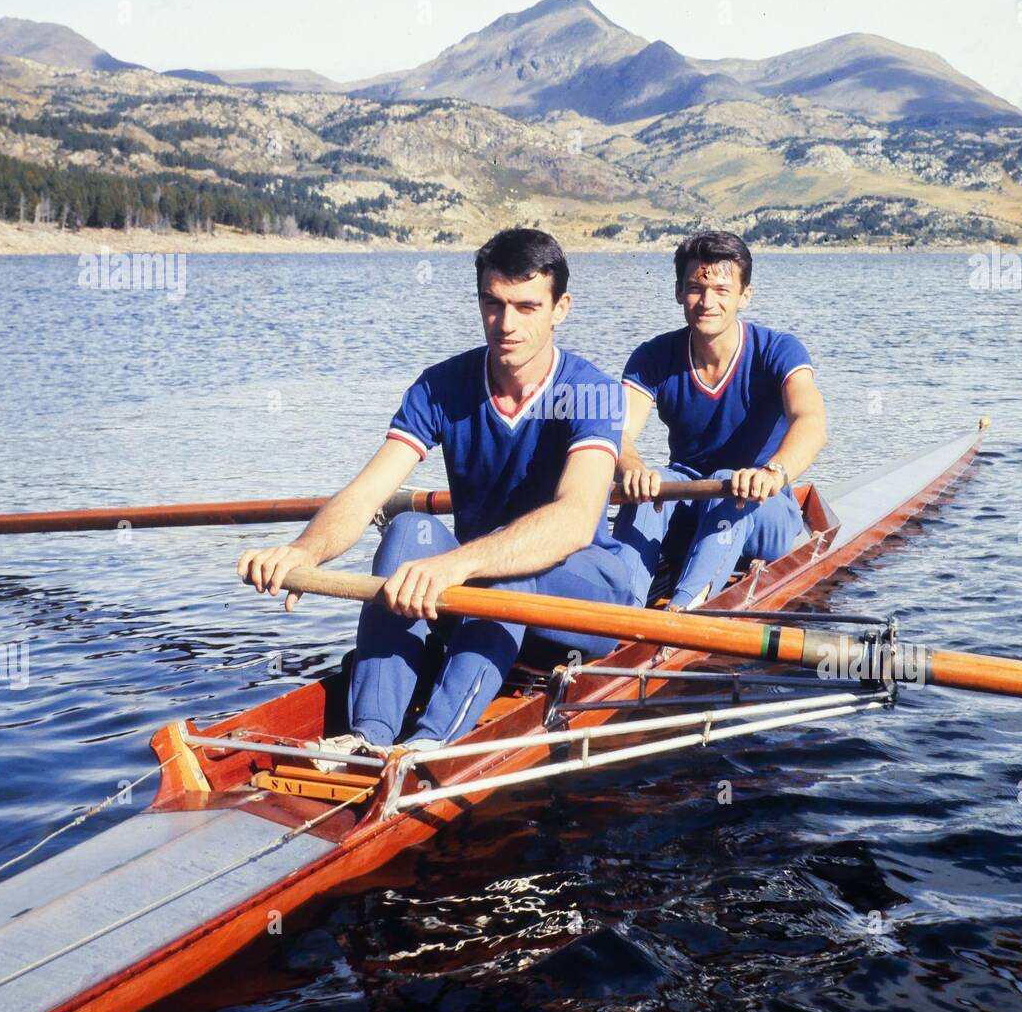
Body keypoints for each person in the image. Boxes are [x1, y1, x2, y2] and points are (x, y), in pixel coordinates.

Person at [238, 227, 639, 759]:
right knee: (409, 528)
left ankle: (430, 746)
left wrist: (457, 565)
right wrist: (305, 551)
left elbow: (574, 517)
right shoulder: (441, 386)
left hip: (584, 596)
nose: (507, 324)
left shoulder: (592, 391)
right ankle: (369, 737)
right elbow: (368, 492)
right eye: (493, 304)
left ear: (560, 308)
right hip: (474, 589)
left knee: (506, 570)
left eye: (526, 307)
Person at [613, 230, 827, 608]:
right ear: (679, 292)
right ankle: (619, 613)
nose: (706, 302)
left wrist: (773, 472)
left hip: (765, 507)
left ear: (745, 295)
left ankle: (684, 611)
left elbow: (811, 421)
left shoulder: (778, 350)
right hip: (689, 506)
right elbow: (618, 432)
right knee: (652, 486)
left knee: (730, 482)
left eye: (722, 291)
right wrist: (632, 469)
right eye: (696, 288)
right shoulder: (653, 357)